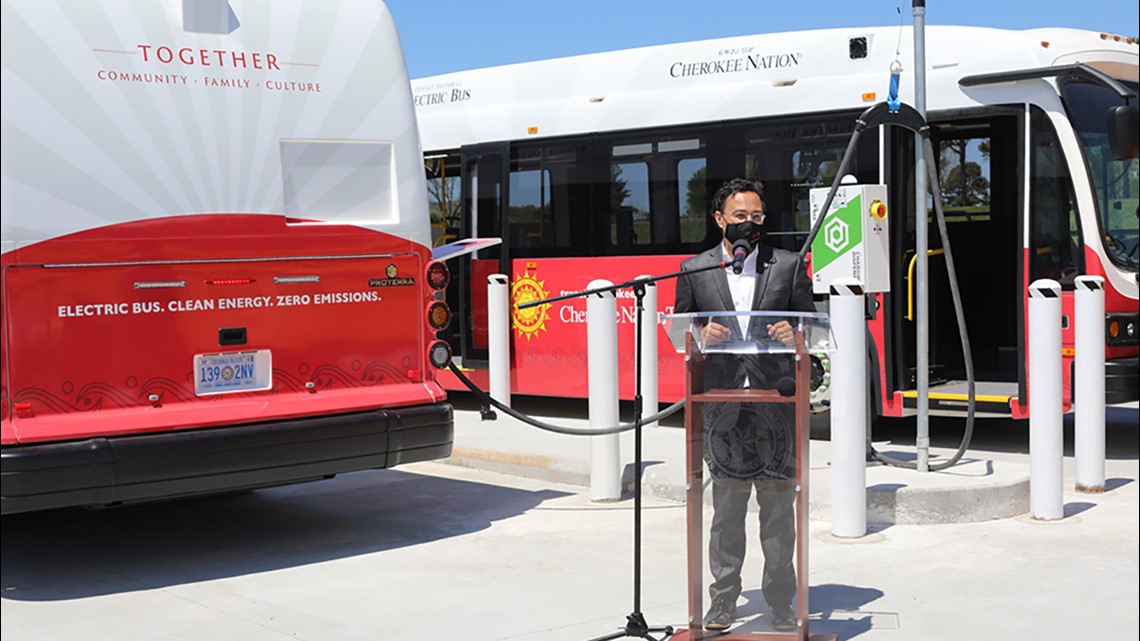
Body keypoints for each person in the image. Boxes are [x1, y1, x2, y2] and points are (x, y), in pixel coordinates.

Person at [673, 177, 814, 632]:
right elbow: (679, 331)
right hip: (722, 406)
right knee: (727, 512)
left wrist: (795, 332)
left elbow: (812, 325)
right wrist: (700, 333)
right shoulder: (694, 269)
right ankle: (723, 601)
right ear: (720, 219)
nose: (749, 224)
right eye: (740, 216)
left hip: (776, 404)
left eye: (756, 216)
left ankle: (781, 602)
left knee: (778, 513)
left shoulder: (788, 265)